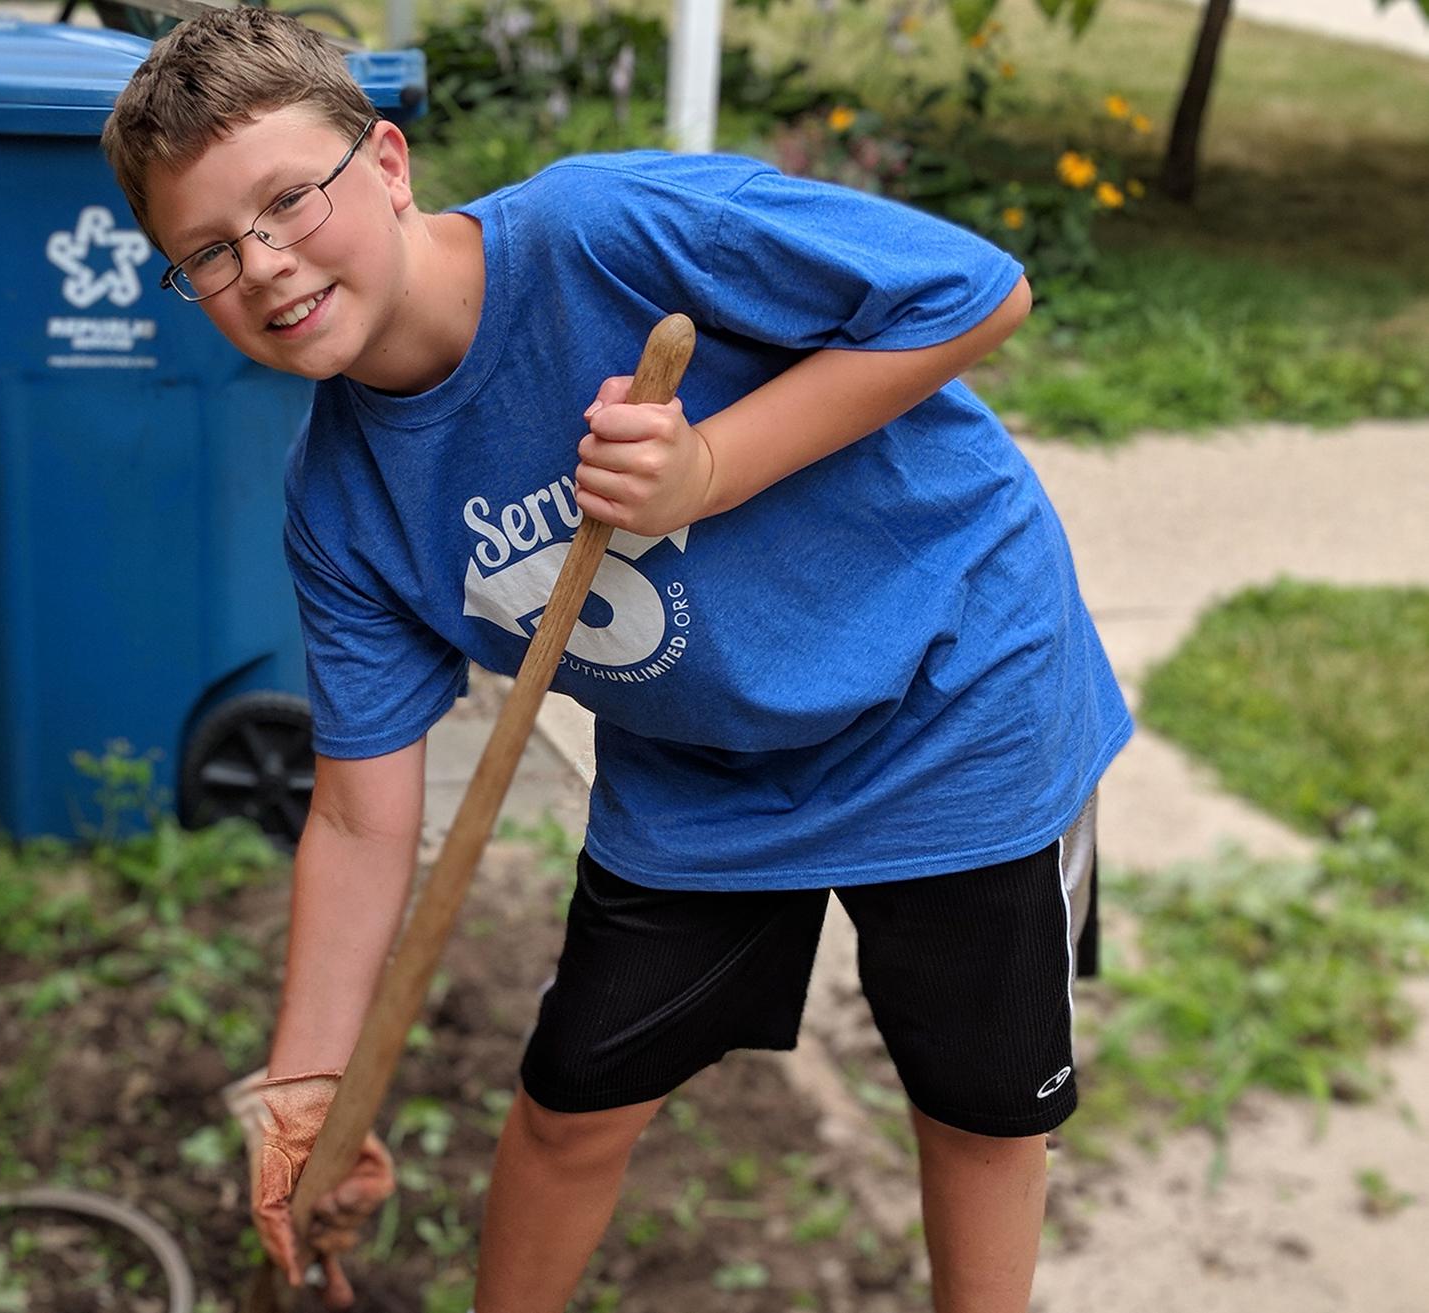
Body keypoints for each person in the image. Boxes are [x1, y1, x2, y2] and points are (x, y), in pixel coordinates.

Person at [102, 9, 1130, 1312]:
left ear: (391, 163)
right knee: (570, 1100)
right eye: (204, 253)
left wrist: (710, 464)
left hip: (951, 693)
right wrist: (308, 1081)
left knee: (980, 1108)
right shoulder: (341, 502)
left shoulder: (609, 229)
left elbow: (976, 290)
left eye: (289, 201)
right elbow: (362, 817)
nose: (260, 264)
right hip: (705, 770)